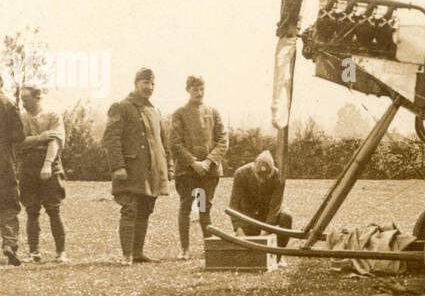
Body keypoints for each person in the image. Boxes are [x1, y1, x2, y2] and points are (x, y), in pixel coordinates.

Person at [102, 68, 172, 264]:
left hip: (152, 172)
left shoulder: (155, 110)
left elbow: (163, 143)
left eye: (152, 84)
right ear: (136, 84)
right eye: (145, 83)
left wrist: (168, 167)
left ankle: (138, 253)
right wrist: (118, 166)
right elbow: (111, 139)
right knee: (130, 209)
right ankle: (127, 255)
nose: (149, 87)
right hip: (130, 170)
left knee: (145, 209)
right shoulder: (121, 107)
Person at [170, 75, 228, 259]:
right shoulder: (180, 113)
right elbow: (175, 142)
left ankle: (208, 247)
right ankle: (185, 249)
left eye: (202, 88)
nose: (199, 92)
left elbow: (223, 140)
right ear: (188, 90)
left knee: (204, 208)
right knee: (186, 206)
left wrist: (208, 162)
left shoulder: (213, 112)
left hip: (207, 173)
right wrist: (194, 162)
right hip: (188, 172)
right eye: (195, 89)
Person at [18, 85, 68, 262]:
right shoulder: (20, 118)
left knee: (54, 209)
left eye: (26, 99)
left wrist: (47, 164)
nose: (23, 103)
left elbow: (54, 141)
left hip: (50, 165)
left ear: (37, 97)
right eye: (22, 99)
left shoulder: (53, 116)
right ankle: (34, 252)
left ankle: (61, 252)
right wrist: (39, 139)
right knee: (31, 210)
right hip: (27, 167)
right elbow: (16, 143)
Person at [228, 150, 292, 248]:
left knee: (286, 216)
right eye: (259, 176)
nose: (262, 180)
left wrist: (264, 234)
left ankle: (279, 256)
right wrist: (239, 230)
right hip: (248, 214)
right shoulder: (240, 173)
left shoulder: (278, 176)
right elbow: (234, 204)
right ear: (253, 168)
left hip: (267, 213)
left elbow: (275, 206)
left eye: (266, 177)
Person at [0, 86, 25, 266]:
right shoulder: (9, 104)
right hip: (4, 162)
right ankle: (9, 243)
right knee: (9, 204)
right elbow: (19, 136)